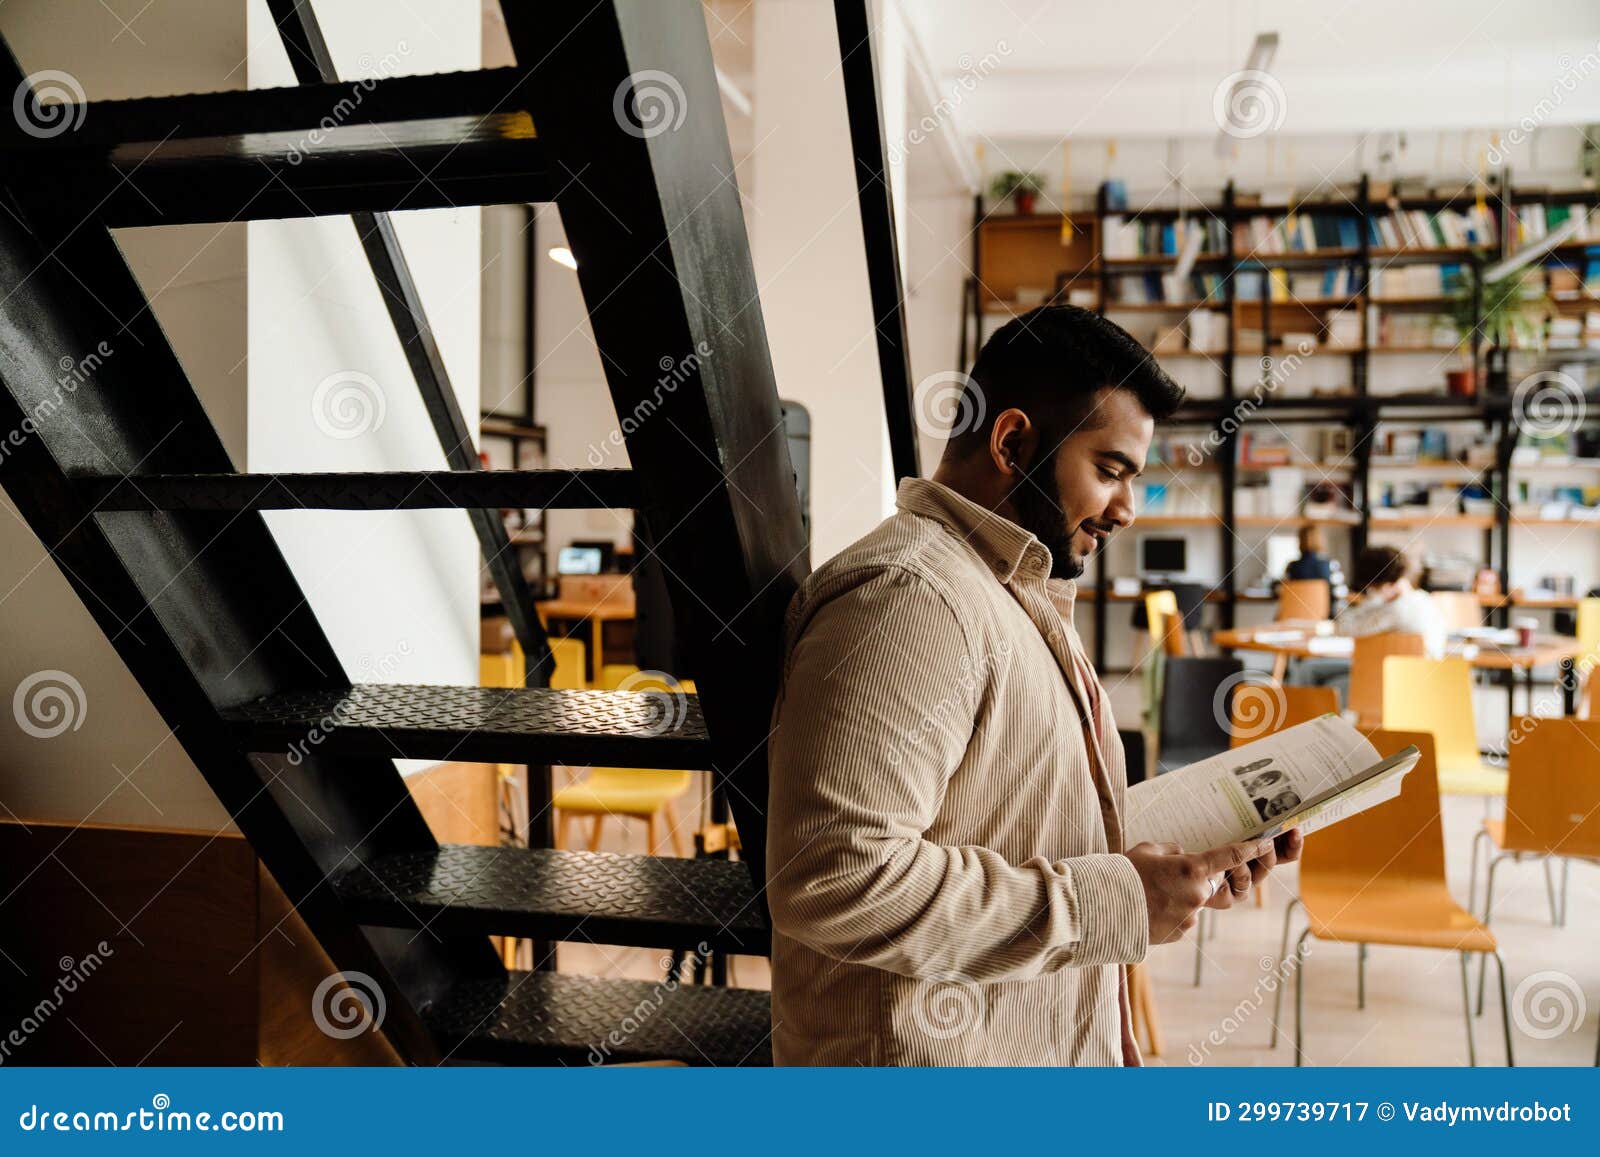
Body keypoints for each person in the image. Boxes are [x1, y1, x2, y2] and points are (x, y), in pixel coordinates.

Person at [765, 305, 1301, 1066]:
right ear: (1013, 440)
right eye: (1110, 471)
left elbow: (1010, 819)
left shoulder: (1007, 589)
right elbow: (836, 874)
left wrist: (1169, 871)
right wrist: (1112, 900)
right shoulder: (912, 598)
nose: (1125, 509)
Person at [1293, 544, 1448, 701]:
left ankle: (1307, 721)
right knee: (1309, 668)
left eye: (1371, 587)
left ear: (1382, 585)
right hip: (1419, 679)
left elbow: (1343, 627)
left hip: (1390, 683)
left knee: (1312, 674)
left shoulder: (1394, 610)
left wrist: (1371, 600)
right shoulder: (1425, 600)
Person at [1283, 524, 1348, 606]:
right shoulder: (1331, 565)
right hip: (1323, 616)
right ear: (1321, 540)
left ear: (1300, 541)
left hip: (1294, 616)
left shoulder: (1291, 567)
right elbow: (1340, 593)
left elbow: (1281, 592)